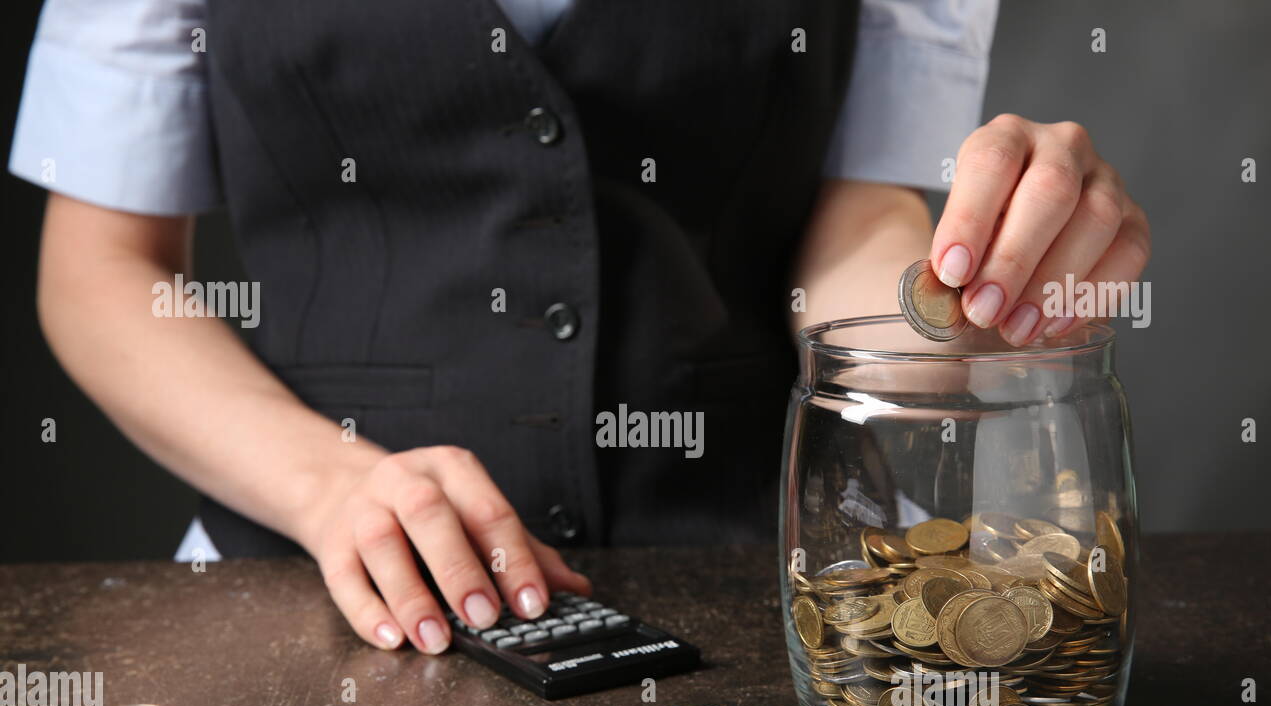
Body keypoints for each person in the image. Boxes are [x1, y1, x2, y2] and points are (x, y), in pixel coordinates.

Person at [10, 0, 1149, 655]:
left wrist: (967, 303)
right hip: (293, 598)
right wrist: (326, 484)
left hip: (757, 592)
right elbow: (103, 268)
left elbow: (856, 222)